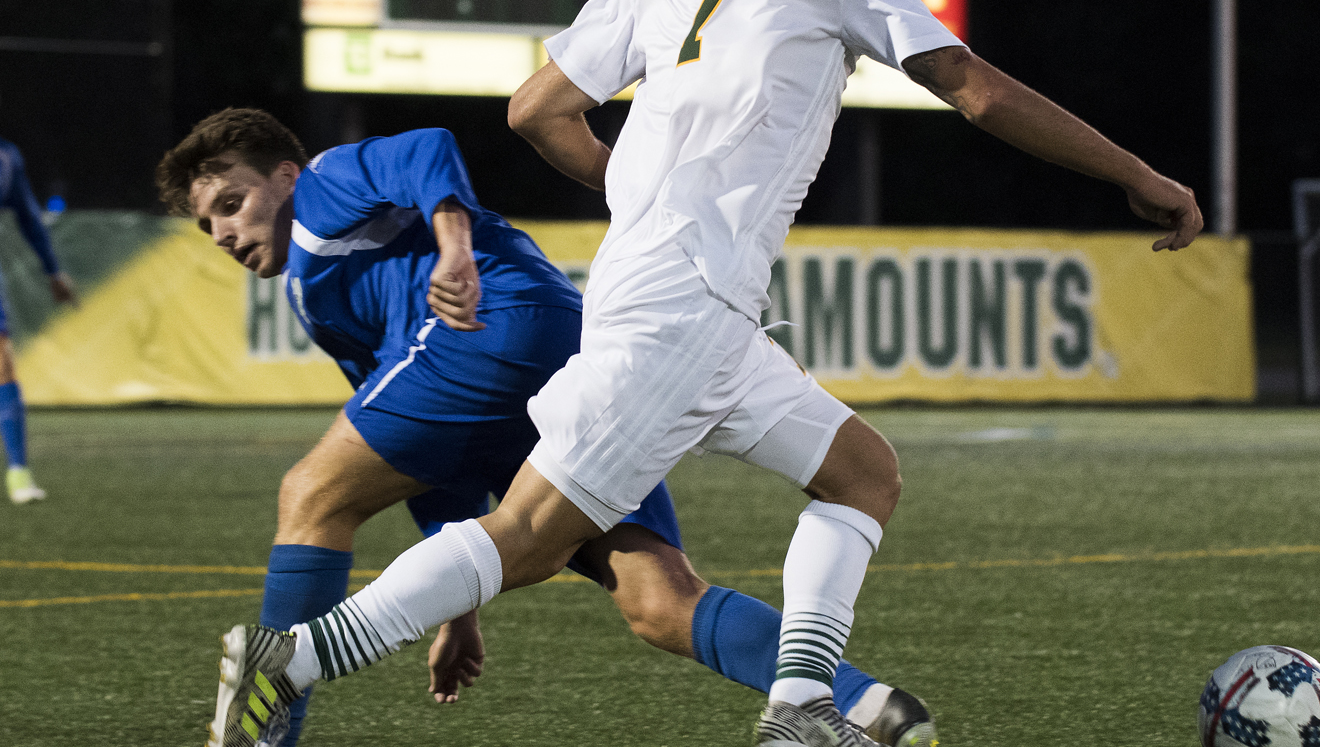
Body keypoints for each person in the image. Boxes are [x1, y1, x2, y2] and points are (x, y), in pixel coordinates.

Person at [208, 0, 1202, 747]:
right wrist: (1134, 173)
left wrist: (640, 191)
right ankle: (291, 659)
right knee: (525, 539)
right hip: (682, 308)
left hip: (694, 305)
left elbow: (534, 109)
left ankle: (802, 705)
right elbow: (975, 89)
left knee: (862, 472)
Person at [157, 109, 933, 747]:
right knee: (658, 599)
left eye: (232, 203)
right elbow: (441, 466)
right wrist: (456, 609)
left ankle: (269, 715)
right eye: (207, 225)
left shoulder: (322, 185)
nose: (224, 232)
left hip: (493, 329)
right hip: (565, 359)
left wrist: (454, 252)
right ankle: (865, 706)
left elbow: (426, 148)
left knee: (312, 493)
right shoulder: (315, 292)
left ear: (283, 179)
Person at [0, 138, 77, 504]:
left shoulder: (7, 156)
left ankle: (18, 473)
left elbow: (29, 216)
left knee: (3, 363)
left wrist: (54, 271)